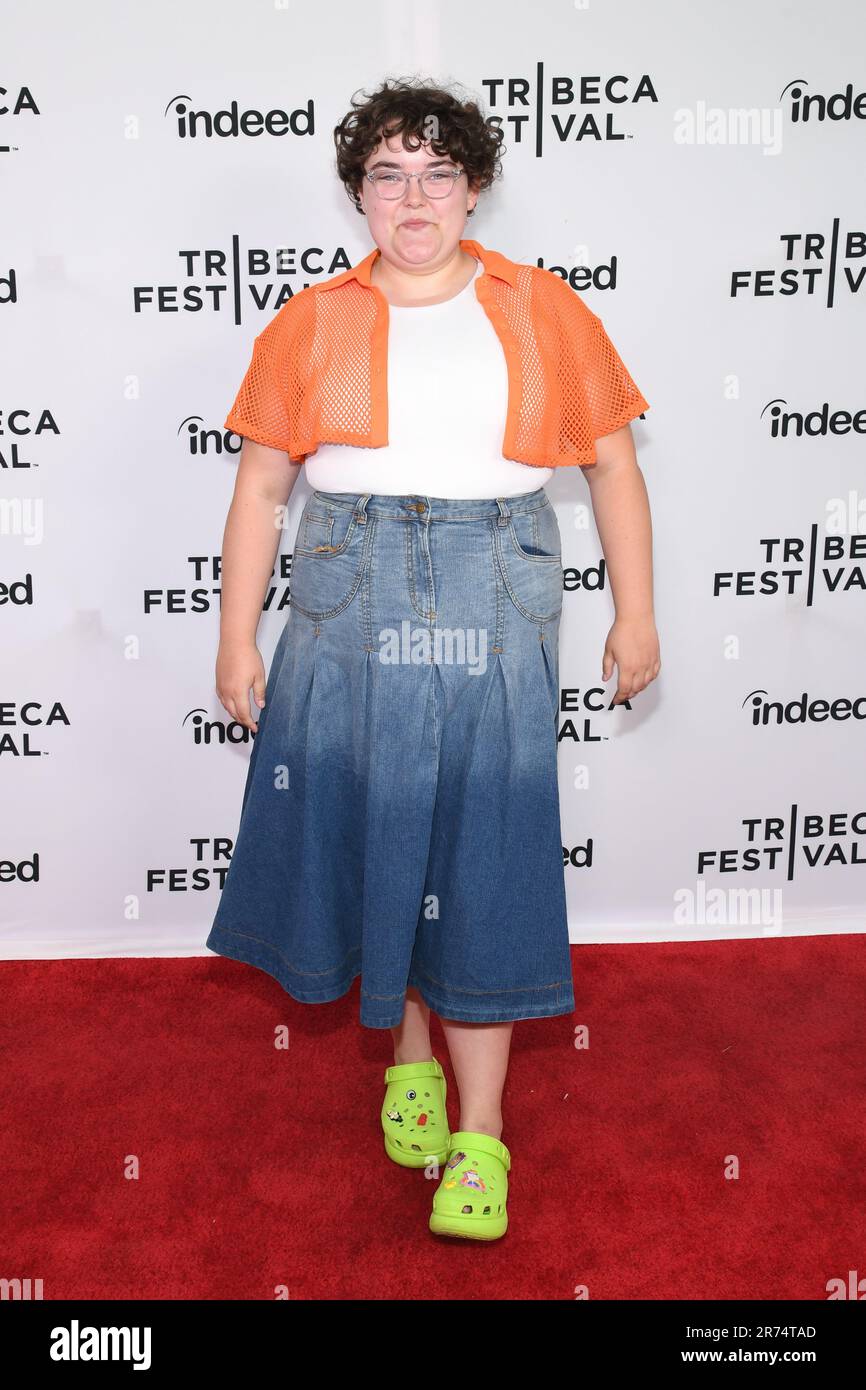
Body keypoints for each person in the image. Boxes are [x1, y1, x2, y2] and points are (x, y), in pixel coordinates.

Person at [205, 77, 660, 1242]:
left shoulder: (543, 309)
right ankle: (406, 1058)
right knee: (374, 829)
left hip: (492, 587)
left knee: (483, 845)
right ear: (360, 193)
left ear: (473, 187)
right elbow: (262, 486)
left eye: (436, 172)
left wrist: (637, 614)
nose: (413, 198)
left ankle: (483, 1131)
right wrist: (232, 631)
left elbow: (611, 467)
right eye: (387, 176)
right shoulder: (308, 323)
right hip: (345, 591)